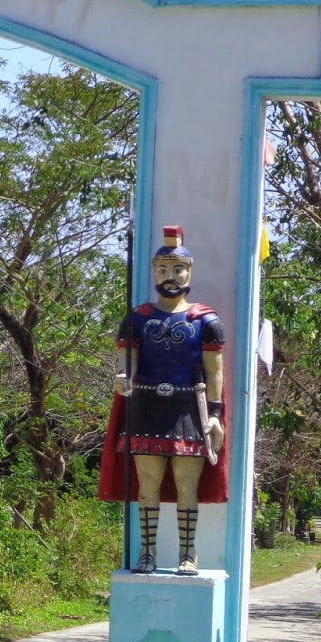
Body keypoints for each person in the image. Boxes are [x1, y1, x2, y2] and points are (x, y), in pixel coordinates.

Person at [100, 225, 226, 574]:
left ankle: (188, 553)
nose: (170, 277)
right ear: (153, 273)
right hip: (146, 408)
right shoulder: (138, 318)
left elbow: (215, 372)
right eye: (162, 270)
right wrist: (123, 377)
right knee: (147, 487)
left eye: (177, 269)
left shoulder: (206, 321)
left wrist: (215, 415)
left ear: (189, 272)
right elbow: (128, 360)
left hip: (188, 408)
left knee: (187, 486)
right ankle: (147, 553)